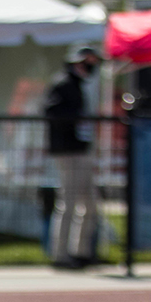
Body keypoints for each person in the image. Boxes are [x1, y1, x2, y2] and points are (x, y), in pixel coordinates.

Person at [44, 46, 101, 269]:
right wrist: (74, 124)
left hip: (80, 150)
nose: (92, 66)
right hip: (68, 152)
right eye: (88, 61)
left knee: (89, 202)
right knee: (67, 202)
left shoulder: (77, 85)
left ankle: (81, 252)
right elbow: (53, 114)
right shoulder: (63, 84)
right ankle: (60, 255)